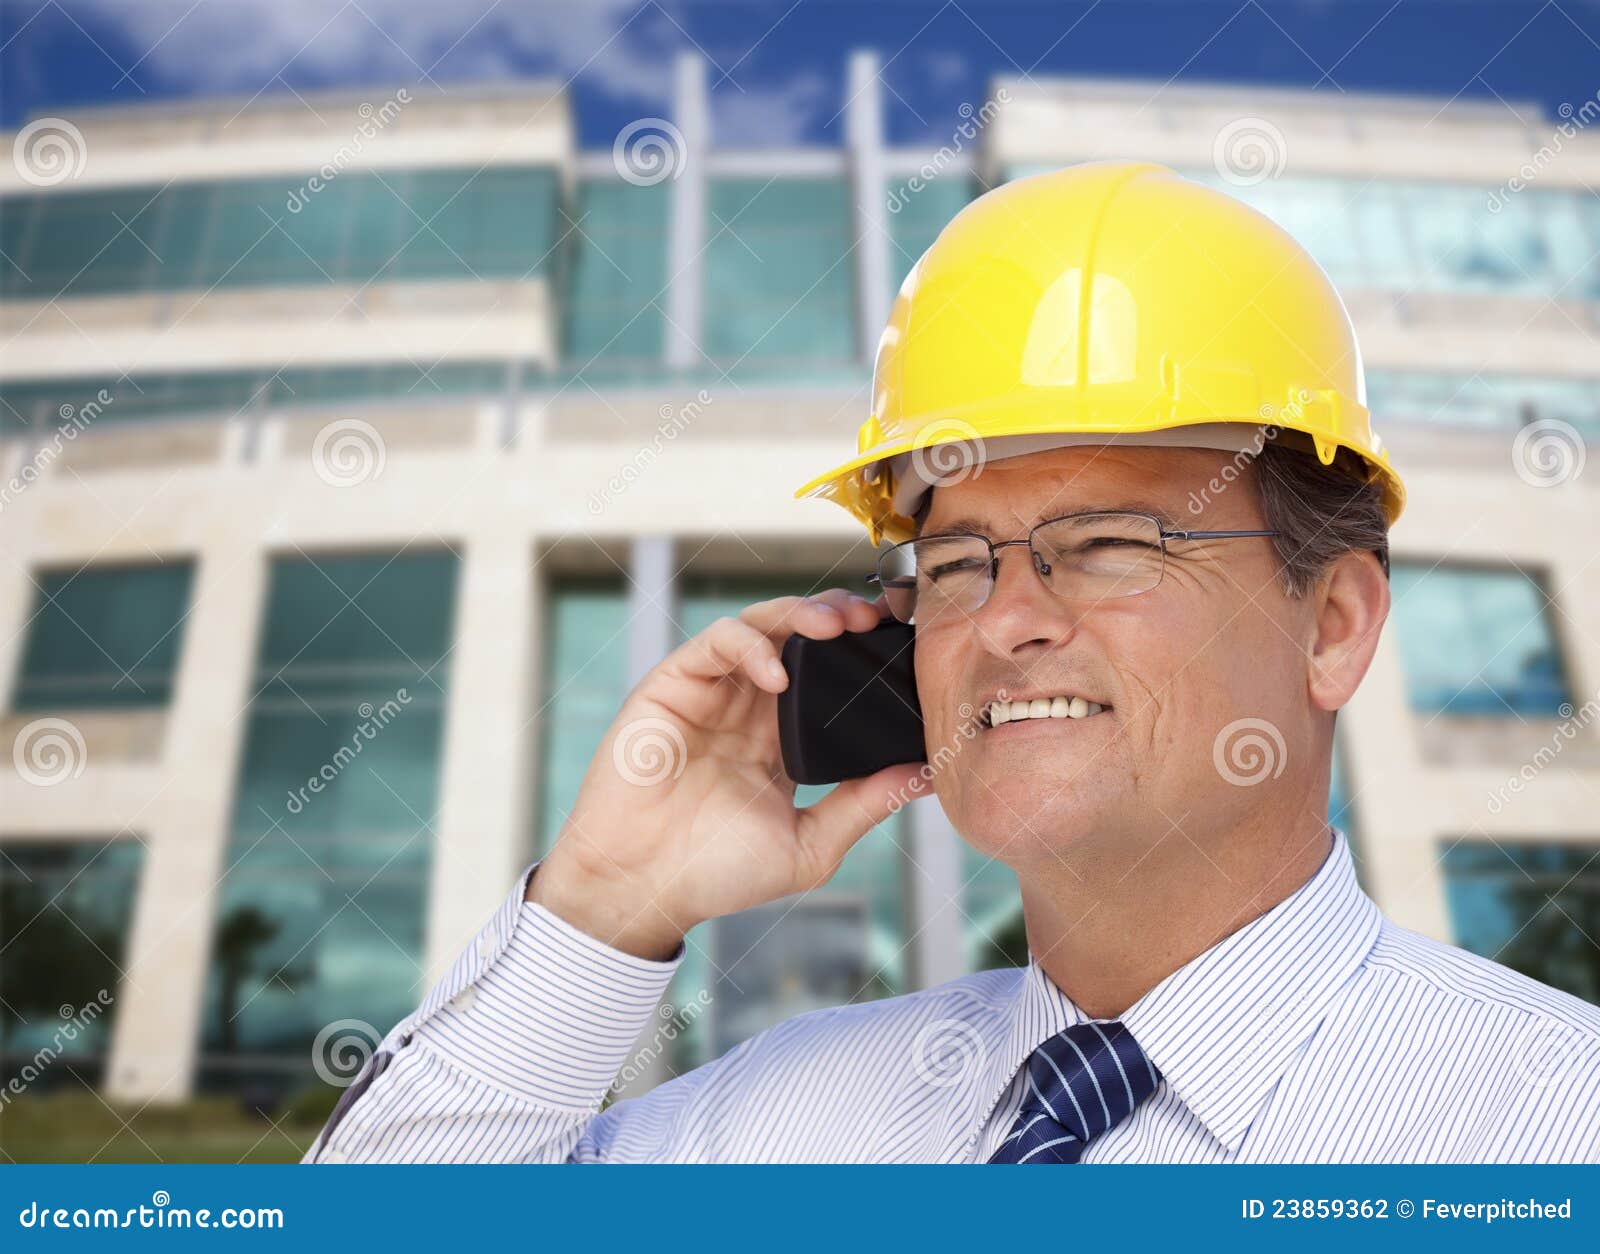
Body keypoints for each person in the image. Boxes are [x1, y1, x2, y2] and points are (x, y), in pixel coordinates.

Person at [303, 161, 1600, 1164]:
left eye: (1107, 544)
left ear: (1333, 625)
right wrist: (604, 908)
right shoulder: (780, 1124)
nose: (1004, 618)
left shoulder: (1552, 1124)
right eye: (961, 561)